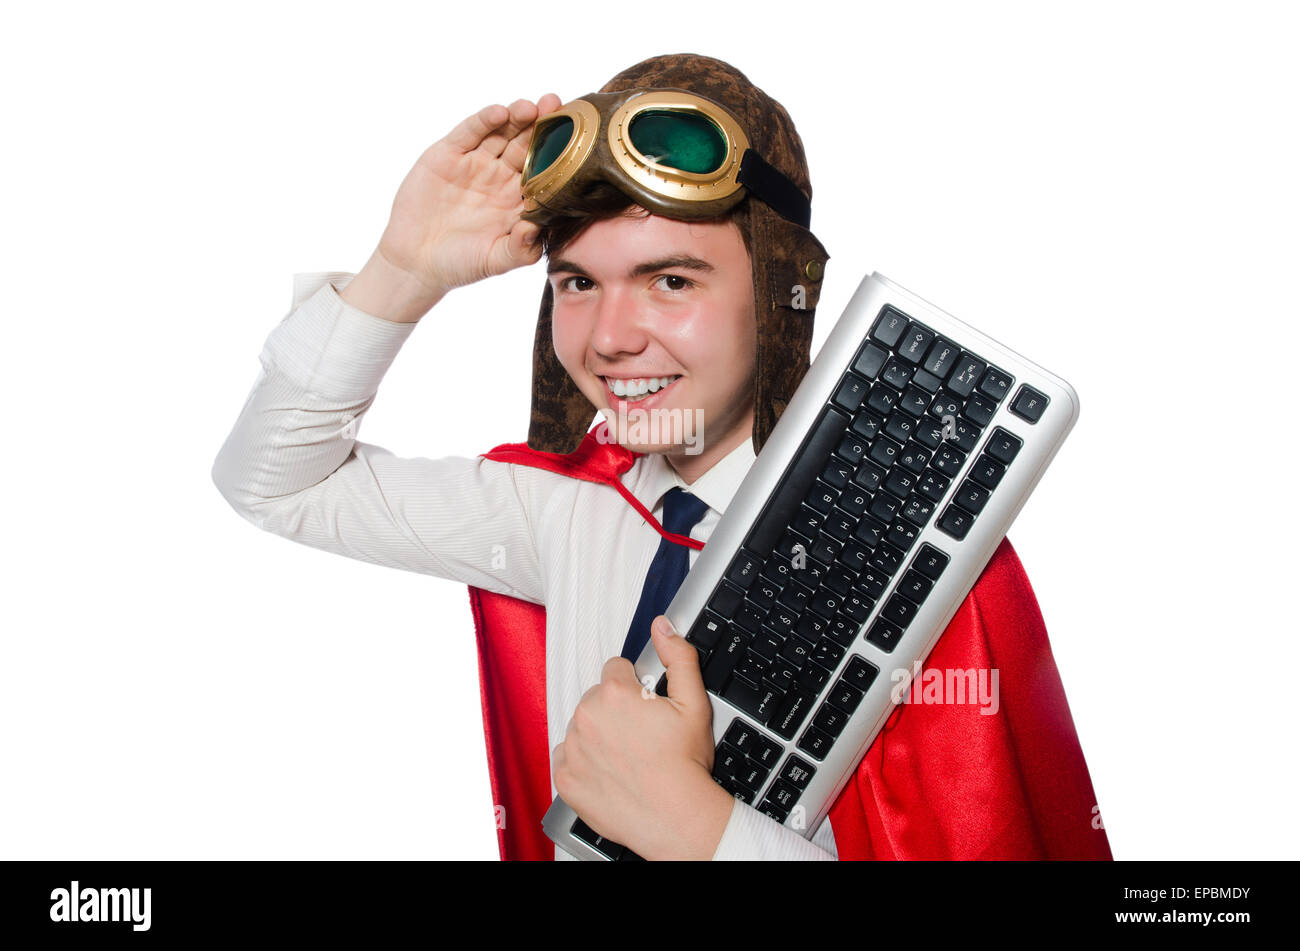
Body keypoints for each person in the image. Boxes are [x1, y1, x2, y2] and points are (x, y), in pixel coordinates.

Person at [212, 52, 1112, 861]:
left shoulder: (929, 557)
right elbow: (276, 483)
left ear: (776, 290)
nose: (609, 338)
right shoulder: (559, 511)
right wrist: (402, 269)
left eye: (670, 280)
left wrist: (702, 833)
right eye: (577, 283)